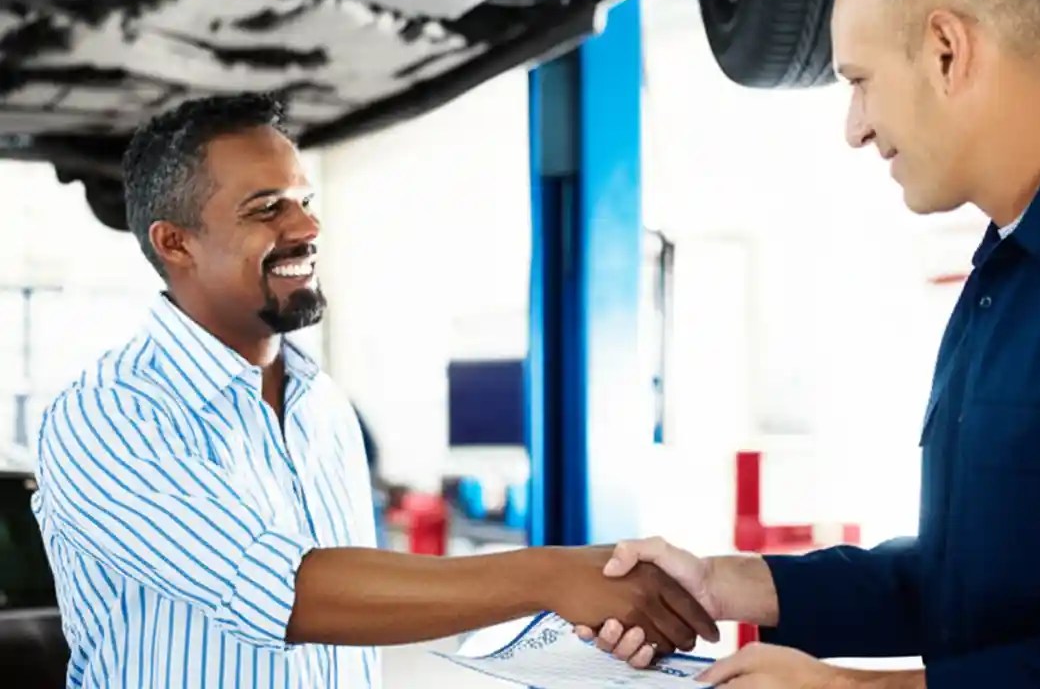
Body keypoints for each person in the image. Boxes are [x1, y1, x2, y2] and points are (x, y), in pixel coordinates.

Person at [579, 0, 1040, 686]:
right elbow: (981, 574)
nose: (855, 128)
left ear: (947, 50)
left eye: (859, 81)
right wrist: (726, 583)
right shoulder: (1007, 276)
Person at [30, 94, 717, 688]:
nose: (305, 228)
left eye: (303, 201)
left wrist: (570, 611)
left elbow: (359, 609)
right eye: (267, 209)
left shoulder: (321, 404)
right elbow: (287, 594)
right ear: (176, 244)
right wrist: (553, 576)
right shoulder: (110, 416)